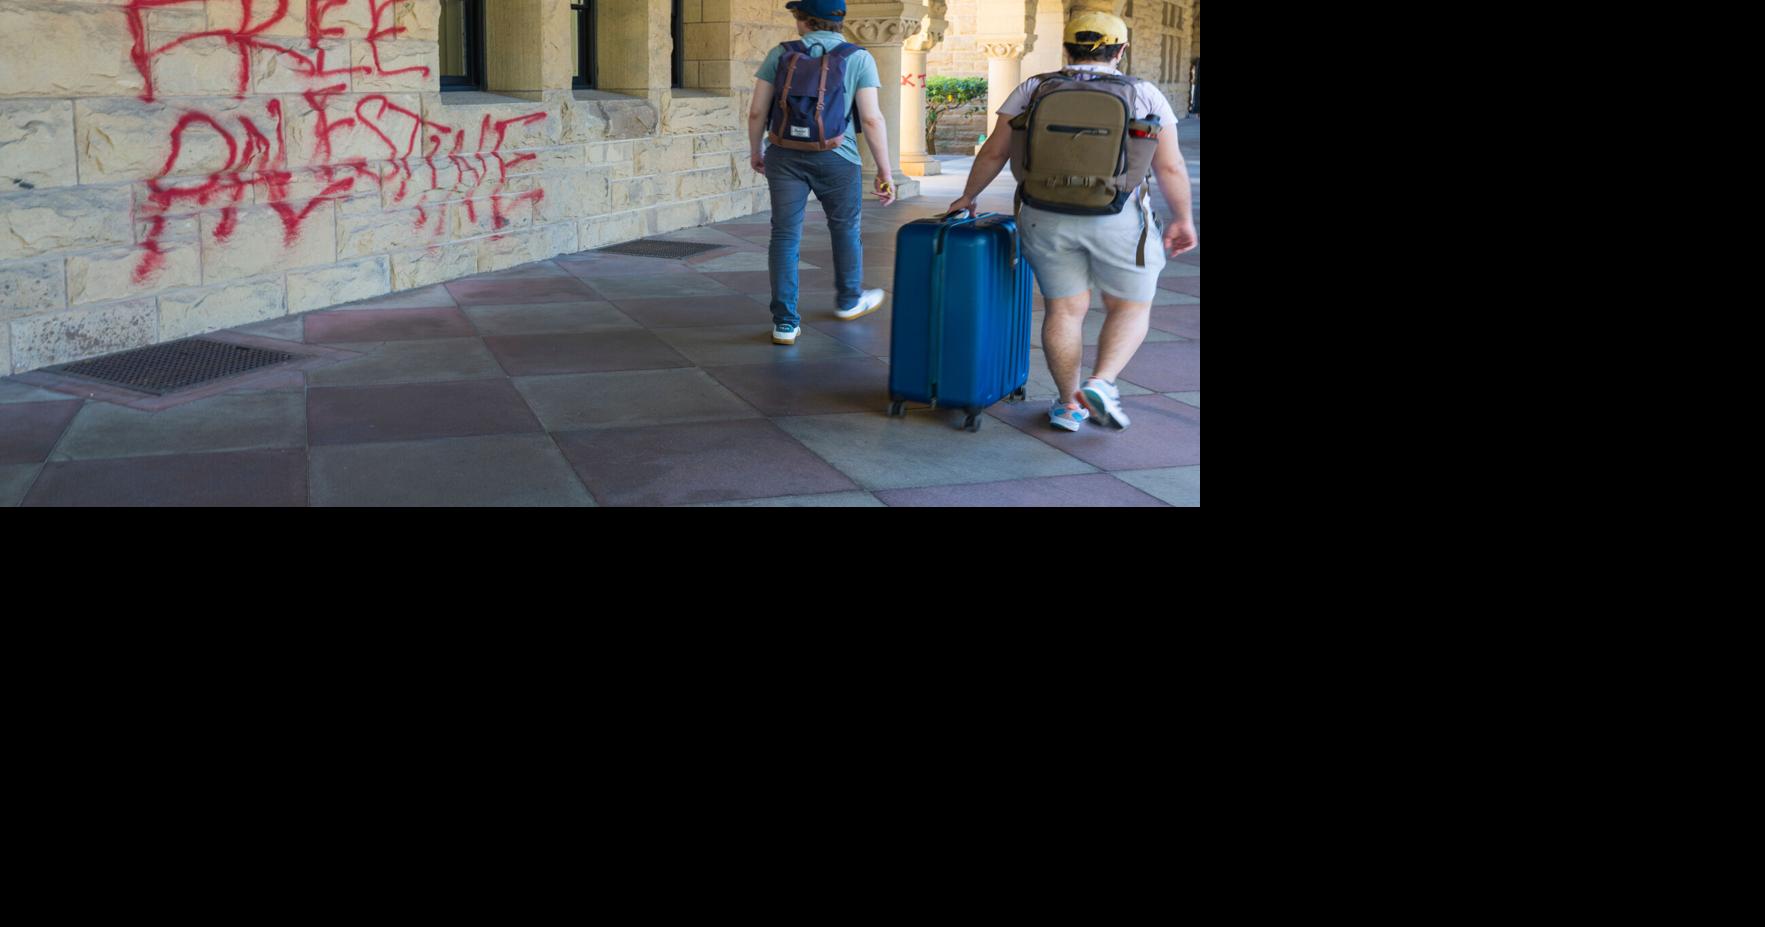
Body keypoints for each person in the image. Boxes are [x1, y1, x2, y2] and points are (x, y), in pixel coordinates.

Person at [947, 12, 1198, 431]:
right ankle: (1101, 383)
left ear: (1067, 48)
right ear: (1121, 50)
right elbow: (1170, 167)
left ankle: (1068, 405)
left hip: (1043, 214)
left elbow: (994, 151)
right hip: (1118, 215)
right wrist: (1183, 219)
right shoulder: (1143, 93)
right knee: (1131, 305)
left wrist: (967, 196)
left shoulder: (1034, 88)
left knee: (1064, 309)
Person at [747, 0, 897, 346]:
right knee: (845, 228)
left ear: (804, 20)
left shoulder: (780, 54)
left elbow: (757, 112)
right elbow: (872, 118)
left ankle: (784, 323)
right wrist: (884, 171)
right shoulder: (858, 57)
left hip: (783, 155)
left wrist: (757, 151)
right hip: (837, 156)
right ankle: (848, 299)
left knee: (784, 235)